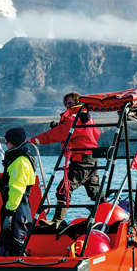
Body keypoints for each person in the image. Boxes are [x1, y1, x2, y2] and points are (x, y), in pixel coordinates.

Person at [31, 91, 101, 224]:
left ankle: (57, 222)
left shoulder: (73, 118)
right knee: (95, 192)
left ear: (78, 102)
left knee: (63, 189)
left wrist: (34, 140)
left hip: (80, 159)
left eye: (71, 103)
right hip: (91, 159)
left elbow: (57, 134)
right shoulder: (88, 118)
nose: (68, 105)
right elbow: (95, 133)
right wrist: (62, 127)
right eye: (66, 103)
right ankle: (110, 217)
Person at [0, 127, 38, 256]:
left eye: (6, 142)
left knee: (12, 241)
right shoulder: (20, 159)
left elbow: (17, 189)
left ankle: (15, 263)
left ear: (12, 142)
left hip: (17, 209)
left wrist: (10, 212)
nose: (5, 145)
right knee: (12, 241)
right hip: (21, 207)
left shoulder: (19, 162)